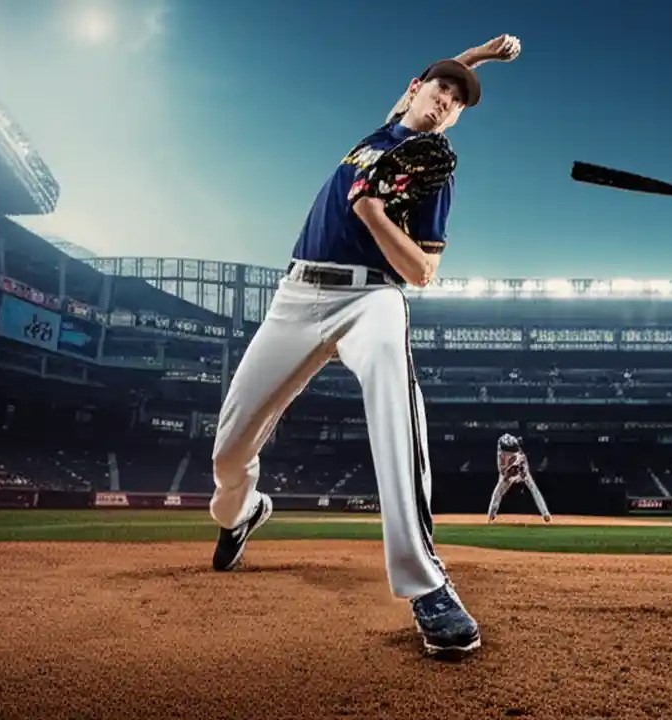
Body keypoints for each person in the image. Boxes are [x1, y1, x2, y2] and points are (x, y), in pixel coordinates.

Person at [207, 34, 521, 657]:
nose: (447, 100)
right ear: (414, 89)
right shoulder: (377, 137)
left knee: (395, 403)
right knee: (229, 447)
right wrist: (479, 55)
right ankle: (240, 513)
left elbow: (422, 275)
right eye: (441, 88)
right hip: (295, 299)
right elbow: (445, 66)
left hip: (371, 299)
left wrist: (374, 213)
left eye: (458, 101)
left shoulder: (434, 172)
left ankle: (425, 585)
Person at [487, 434, 552, 523]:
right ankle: (491, 516)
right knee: (498, 492)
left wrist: (520, 470)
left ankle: (545, 514)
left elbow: (522, 462)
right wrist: (510, 473)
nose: (514, 449)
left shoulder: (516, 449)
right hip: (508, 470)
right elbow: (504, 475)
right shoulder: (501, 457)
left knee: (533, 488)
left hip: (521, 466)